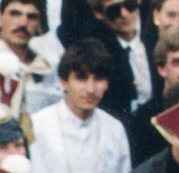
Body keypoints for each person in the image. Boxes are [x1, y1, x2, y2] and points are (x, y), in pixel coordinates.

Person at [31, 40, 132, 173]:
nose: (90, 89)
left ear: (107, 83)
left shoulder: (114, 129)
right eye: (81, 79)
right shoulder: (38, 126)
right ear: (64, 82)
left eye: (98, 79)